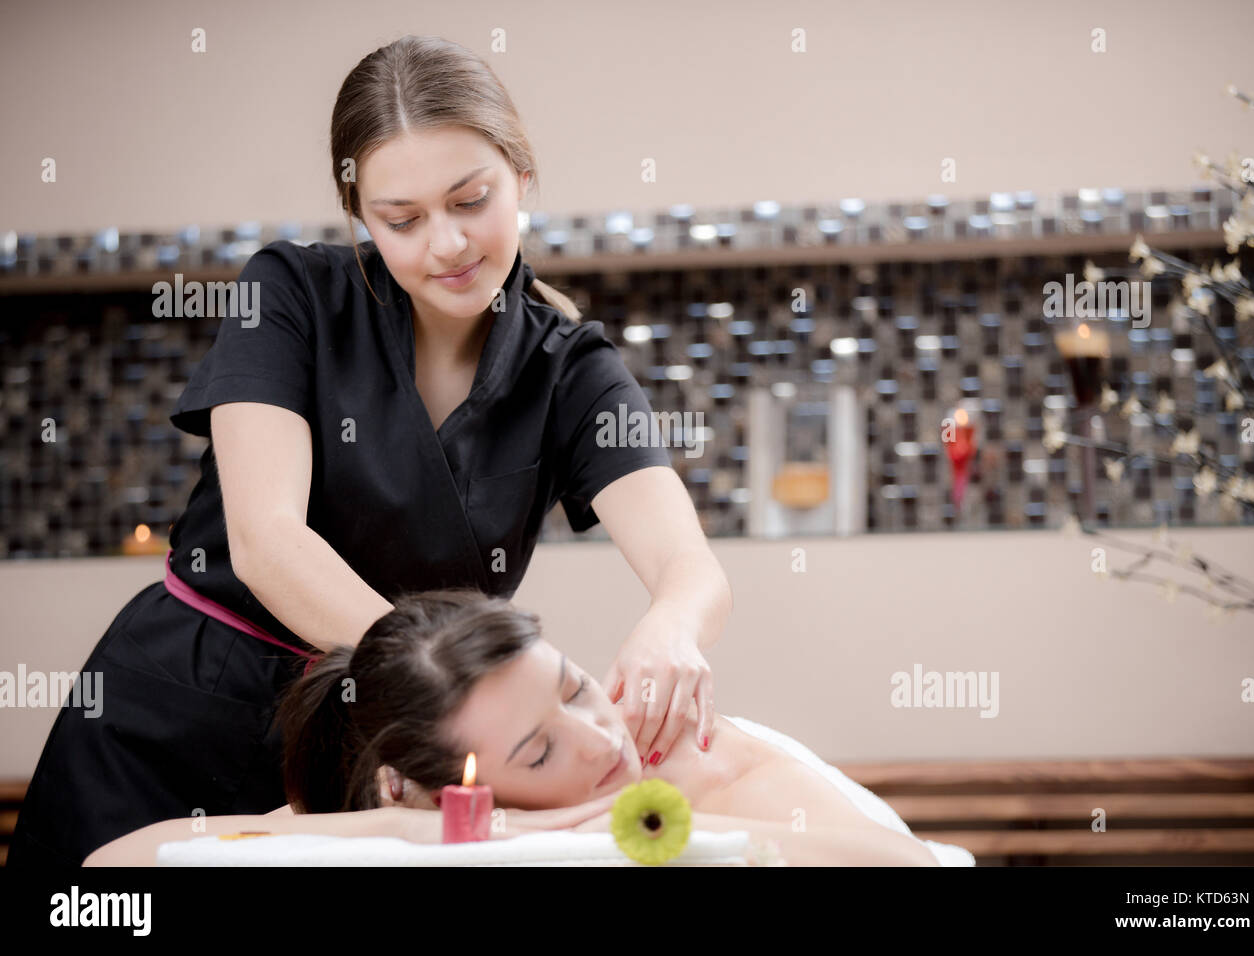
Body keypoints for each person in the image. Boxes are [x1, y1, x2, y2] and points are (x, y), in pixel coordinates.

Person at [10, 35, 730, 868]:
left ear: (522, 176)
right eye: (403, 220)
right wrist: (448, 681)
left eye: (472, 201)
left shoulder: (569, 368)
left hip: (384, 754)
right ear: (361, 216)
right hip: (181, 714)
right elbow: (268, 542)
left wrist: (673, 626)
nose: (448, 245)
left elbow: (690, 565)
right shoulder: (289, 295)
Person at [83, 590, 943, 866]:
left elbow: (907, 866)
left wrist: (626, 829)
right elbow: (105, 877)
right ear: (433, 785)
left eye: (574, 689)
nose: (600, 739)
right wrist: (402, 828)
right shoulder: (425, 817)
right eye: (539, 750)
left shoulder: (680, 754)